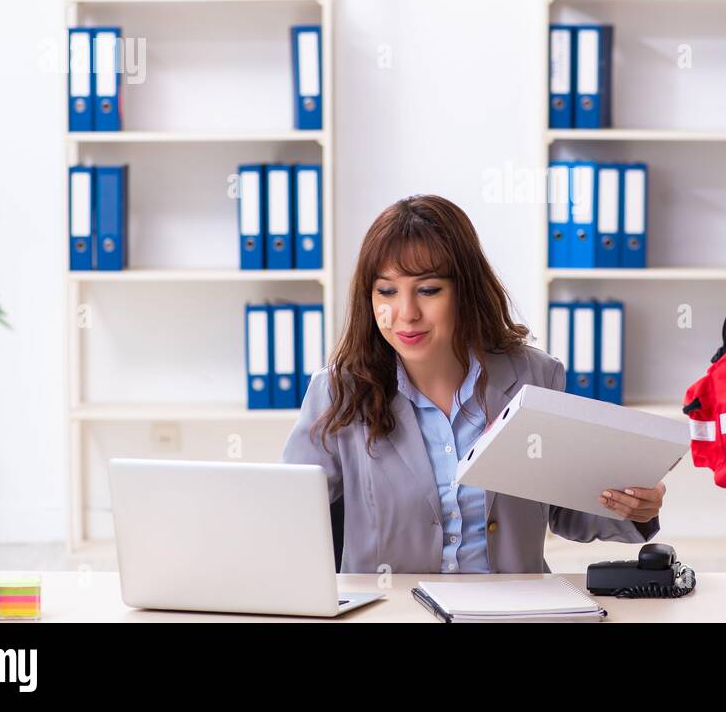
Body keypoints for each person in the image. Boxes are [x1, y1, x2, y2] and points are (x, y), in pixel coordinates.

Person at [282, 194, 665, 573]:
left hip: (512, 613)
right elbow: (286, 522)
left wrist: (634, 506)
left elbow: (569, 511)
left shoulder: (533, 378)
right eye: (386, 291)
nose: (406, 314)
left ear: (465, 290)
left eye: (428, 290)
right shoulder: (338, 392)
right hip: (393, 613)